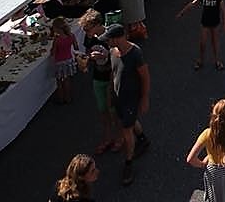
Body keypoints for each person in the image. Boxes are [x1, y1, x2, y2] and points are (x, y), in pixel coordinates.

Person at [100, 24, 151, 186]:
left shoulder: (135, 53)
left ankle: (128, 164)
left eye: (109, 39)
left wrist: (144, 99)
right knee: (128, 121)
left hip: (130, 98)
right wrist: (109, 94)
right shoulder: (113, 52)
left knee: (126, 130)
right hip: (118, 97)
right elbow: (113, 74)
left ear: (118, 38)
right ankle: (142, 139)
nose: (107, 42)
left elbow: (145, 77)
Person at [78, 10, 121, 154]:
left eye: (87, 29)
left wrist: (104, 55)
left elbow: (118, 59)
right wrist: (88, 58)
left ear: (97, 25)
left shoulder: (109, 37)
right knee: (103, 111)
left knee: (114, 111)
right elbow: (88, 53)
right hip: (97, 78)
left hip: (111, 79)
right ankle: (108, 138)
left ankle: (119, 138)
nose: (86, 32)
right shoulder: (89, 38)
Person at [177, 0, 225, 71]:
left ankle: (217, 61)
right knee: (203, 43)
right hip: (205, 23)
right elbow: (192, 4)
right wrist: (182, 12)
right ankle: (200, 60)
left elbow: (224, 11)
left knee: (214, 42)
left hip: (215, 23)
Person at [50, 17, 77, 104]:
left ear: (57, 29)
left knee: (59, 81)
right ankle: (68, 97)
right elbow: (76, 47)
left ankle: (61, 98)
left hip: (59, 62)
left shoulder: (57, 40)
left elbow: (53, 53)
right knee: (67, 80)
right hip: (68, 60)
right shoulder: (71, 36)